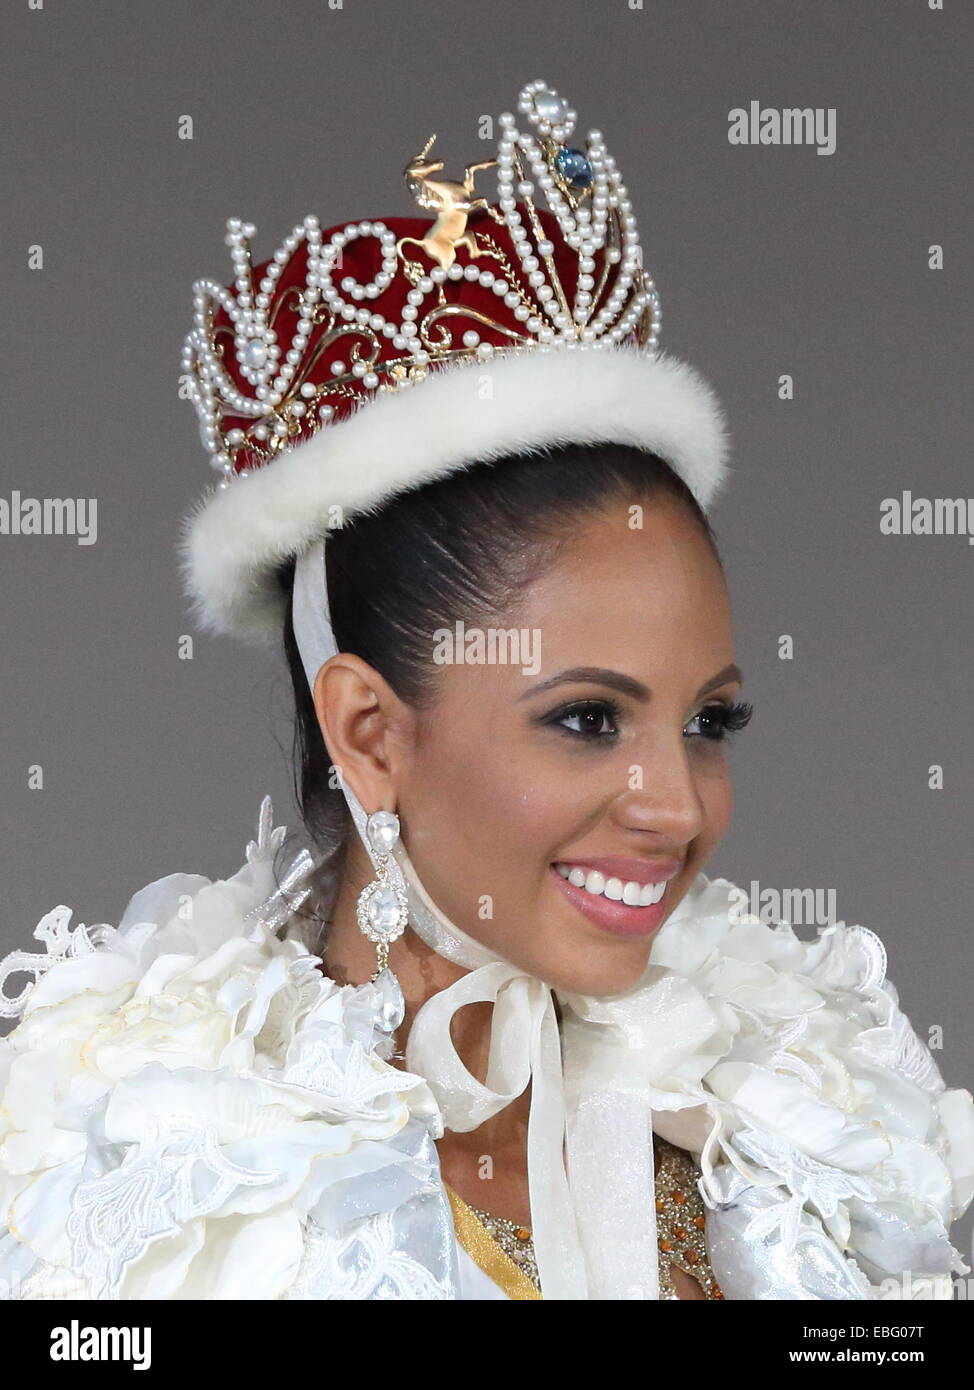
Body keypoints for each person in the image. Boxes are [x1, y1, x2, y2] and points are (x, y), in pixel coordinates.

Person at [0, 79, 971, 1301]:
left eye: (706, 722)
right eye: (585, 719)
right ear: (368, 733)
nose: (674, 807)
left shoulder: (788, 1134)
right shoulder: (152, 1200)